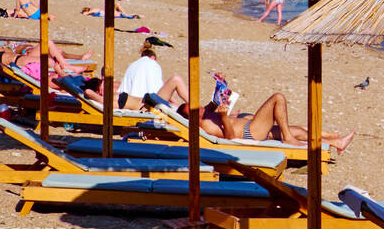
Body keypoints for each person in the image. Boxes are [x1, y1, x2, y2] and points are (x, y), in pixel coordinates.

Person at [199, 77, 355, 152]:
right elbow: (231, 139)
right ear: (189, 116)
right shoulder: (205, 125)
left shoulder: (205, 114)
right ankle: (287, 139)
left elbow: (216, 102)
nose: (199, 107)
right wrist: (225, 117)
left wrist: (222, 85)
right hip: (250, 133)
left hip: (252, 127)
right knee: (278, 98)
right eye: (192, 109)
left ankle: (337, 143)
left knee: (299, 132)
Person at [117, 38, 188, 112]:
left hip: (131, 105)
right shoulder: (153, 64)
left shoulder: (132, 65)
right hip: (148, 105)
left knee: (175, 104)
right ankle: (195, 107)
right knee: (176, 79)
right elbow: (156, 94)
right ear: (153, 57)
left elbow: (123, 91)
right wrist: (176, 104)